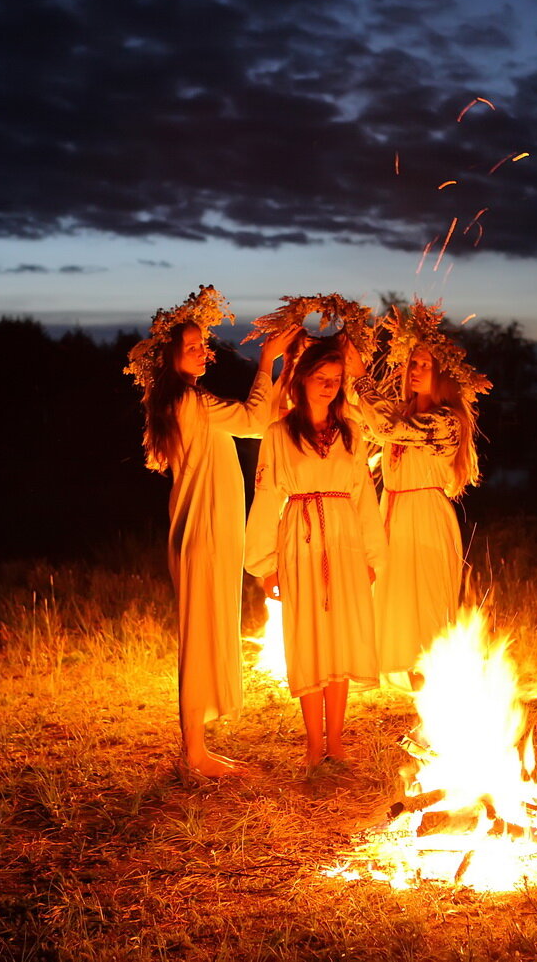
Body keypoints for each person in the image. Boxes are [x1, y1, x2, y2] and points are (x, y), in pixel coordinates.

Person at [126, 286, 298, 777]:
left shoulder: (186, 399)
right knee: (199, 636)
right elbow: (254, 420)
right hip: (202, 530)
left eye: (205, 344)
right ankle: (194, 754)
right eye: (193, 347)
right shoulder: (188, 401)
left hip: (204, 529)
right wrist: (268, 361)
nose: (205, 352)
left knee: (207, 631)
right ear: (171, 357)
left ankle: (197, 747)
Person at [245, 338, 386, 771]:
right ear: (303, 378)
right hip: (301, 537)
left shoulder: (351, 432)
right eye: (321, 379)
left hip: (344, 537)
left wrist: (370, 555)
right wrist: (265, 566)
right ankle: (312, 743)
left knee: (341, 635)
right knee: (307, 636)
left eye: (336, 380)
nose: (329, 387)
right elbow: (267, 497)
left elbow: (364, 494)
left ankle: (337, 742)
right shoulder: (279, 433)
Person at [343, 304, 487, 690]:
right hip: (393, 509)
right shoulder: (406, 411)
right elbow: (369, 418)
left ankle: (437, 690)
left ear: (442, 374)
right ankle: (411, 681)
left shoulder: (445, 421)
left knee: (424, 603)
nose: (415, 370)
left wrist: (360, 378)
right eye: (413, 363)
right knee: (394, 600)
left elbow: (388, 425)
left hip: (424, 516)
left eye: (425, 364)